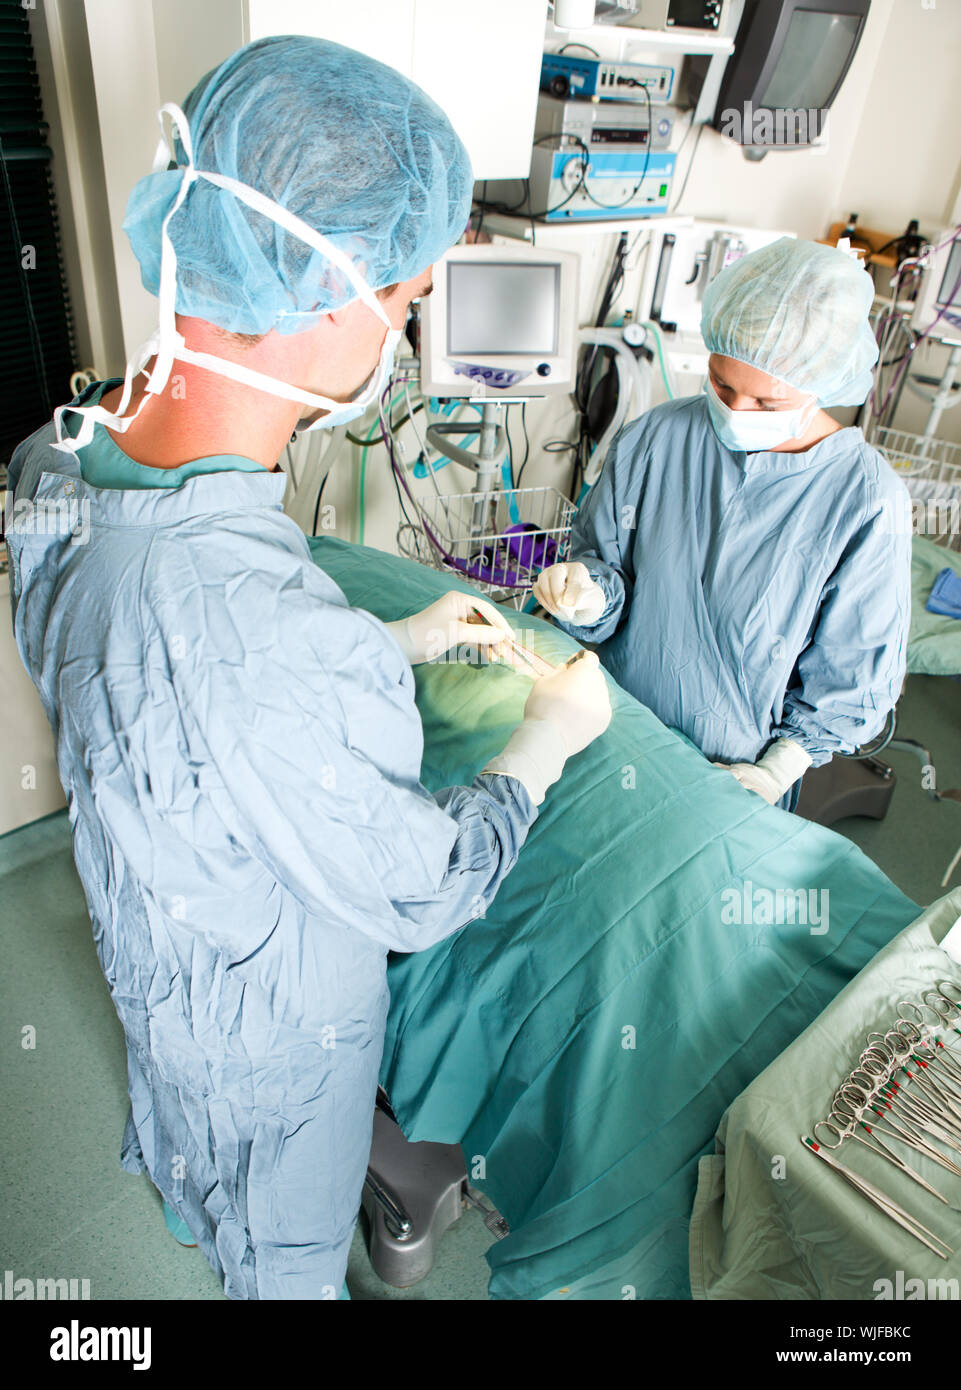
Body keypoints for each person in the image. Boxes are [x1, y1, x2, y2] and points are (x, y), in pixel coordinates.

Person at [5, 36, 611, 1300]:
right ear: (328, 297)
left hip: (163, 956)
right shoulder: (261, 637)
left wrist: (372, 648)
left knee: (199, 1161)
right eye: (404, 299)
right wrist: (545, 738)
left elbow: (155, 690)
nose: (406, 325)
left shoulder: (53, 460)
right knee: (275, 1262)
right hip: (271, 1045)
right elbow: (423, 885)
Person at [534, 237, 911, 810]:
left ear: (821, 383)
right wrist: (587, 596)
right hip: (605, 725)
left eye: (766, 403)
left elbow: (850, 676)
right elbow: (605, 565)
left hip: (729, 775)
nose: (736, 411)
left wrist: (775, 771)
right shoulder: (658, 437)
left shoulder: (864, 500)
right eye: (722, 385)